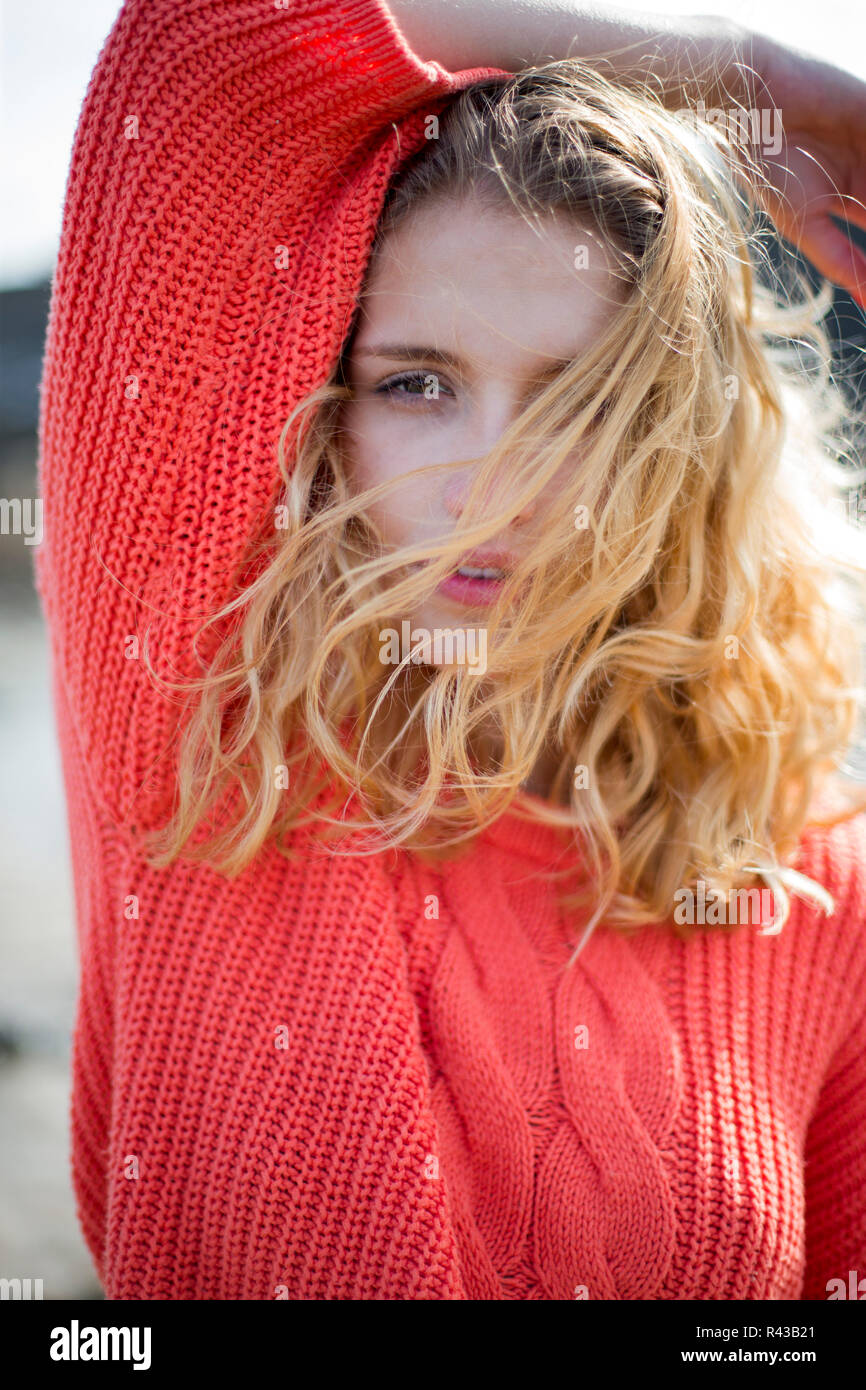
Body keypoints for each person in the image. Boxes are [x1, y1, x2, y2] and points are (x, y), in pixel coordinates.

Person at [35, 0, 866, 1300]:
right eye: (415, 382)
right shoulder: (200, 733)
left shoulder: (805, 881)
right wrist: (744, 77)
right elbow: (198, 44)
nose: (492, 486)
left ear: (678, 440)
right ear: (326, 420)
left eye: (572, 399)